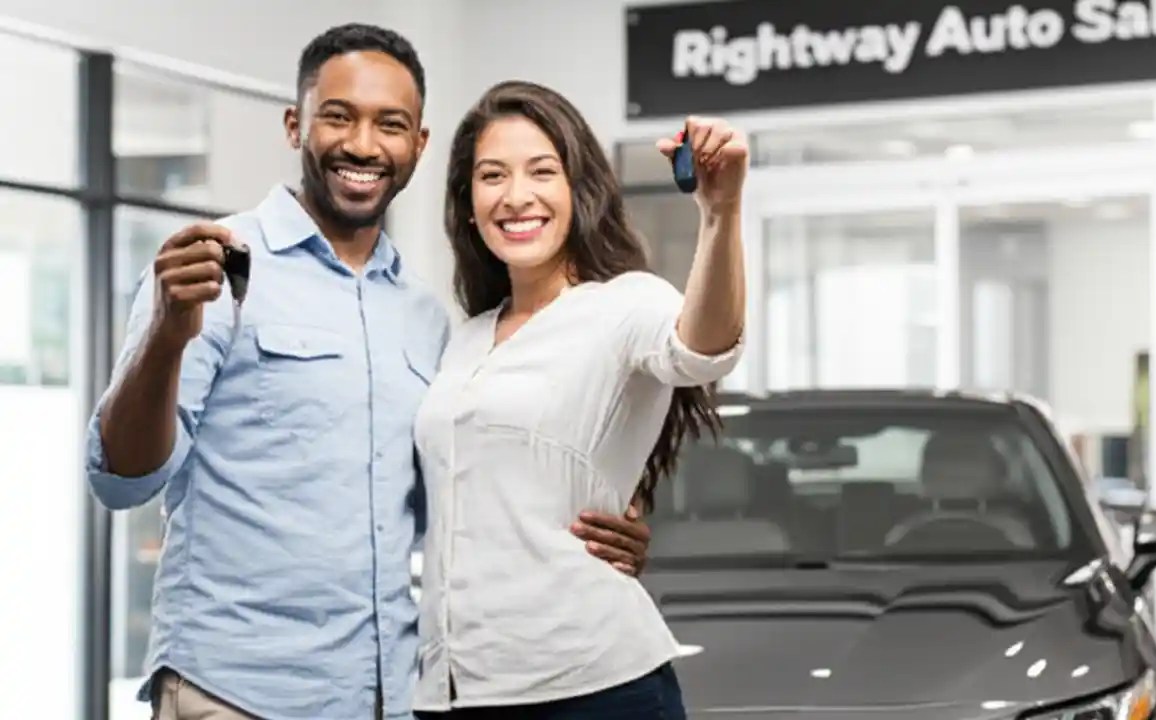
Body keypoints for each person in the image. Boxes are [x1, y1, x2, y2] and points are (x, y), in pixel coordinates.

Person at [84, 25, 650, 720]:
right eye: (338, 116)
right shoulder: (215, 269)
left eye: (390, 124)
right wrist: (166, 336)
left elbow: (460, 503)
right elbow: (121, 478)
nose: (363, 144)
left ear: (419, 143)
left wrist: (590, 523)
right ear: (295, 125)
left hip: (383, 696)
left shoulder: (425, 317)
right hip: (238, 690)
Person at [411, 81, 747, 717]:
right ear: (468, 203)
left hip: (591, 686)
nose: (516, 195)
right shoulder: (466, 339)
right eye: (492, 175)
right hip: (451, 689)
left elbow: (706, 346)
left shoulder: (624, 304)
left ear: (578, 190)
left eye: (542, 171)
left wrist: (720, 214)